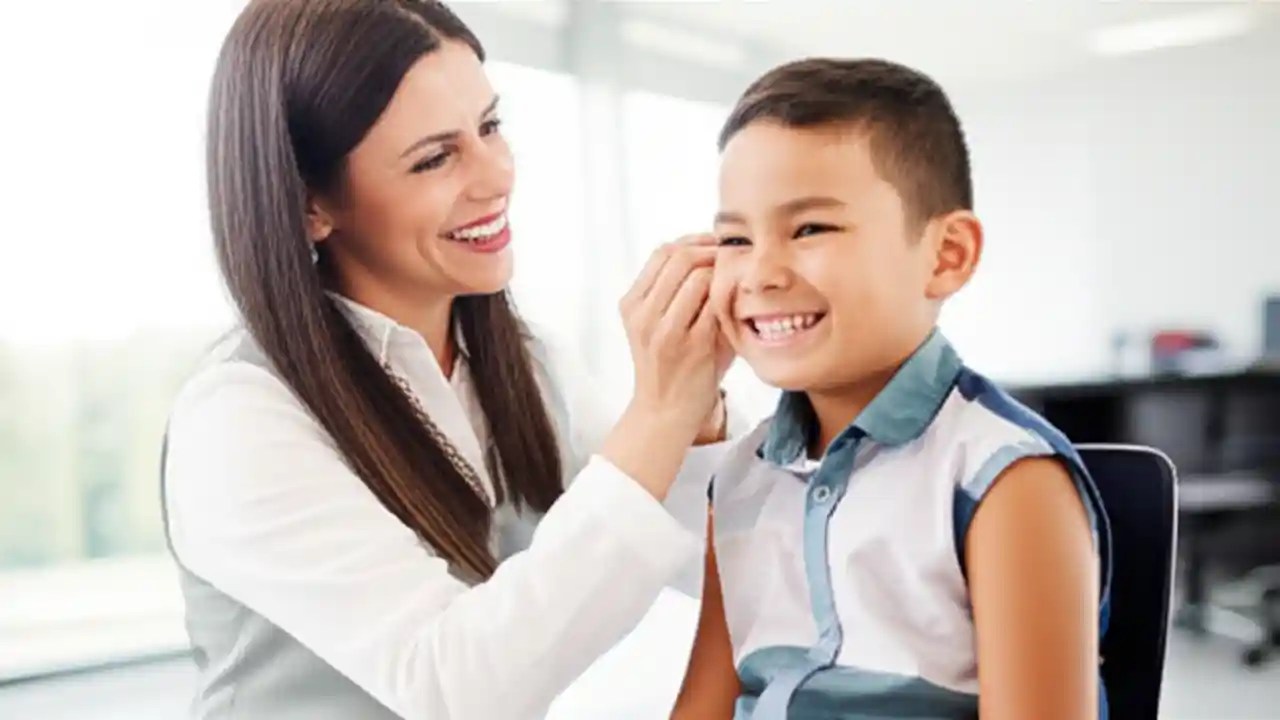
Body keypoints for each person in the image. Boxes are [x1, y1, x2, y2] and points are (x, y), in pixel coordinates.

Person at [162, 1, 739, 718]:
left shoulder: (528, 366)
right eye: (435, 158)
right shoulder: (241, 419)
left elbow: (707, 559)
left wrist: (700, 407)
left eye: (491, 126)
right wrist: (659, 411)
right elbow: (453, 688)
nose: (495, 175)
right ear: (312, 206)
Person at [669, 58, 1112, 720]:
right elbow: (705, 705)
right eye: (735, 238)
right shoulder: (739, 478)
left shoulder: (1001, 479)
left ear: (947, 255)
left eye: (810, 228)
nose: (760, 271)